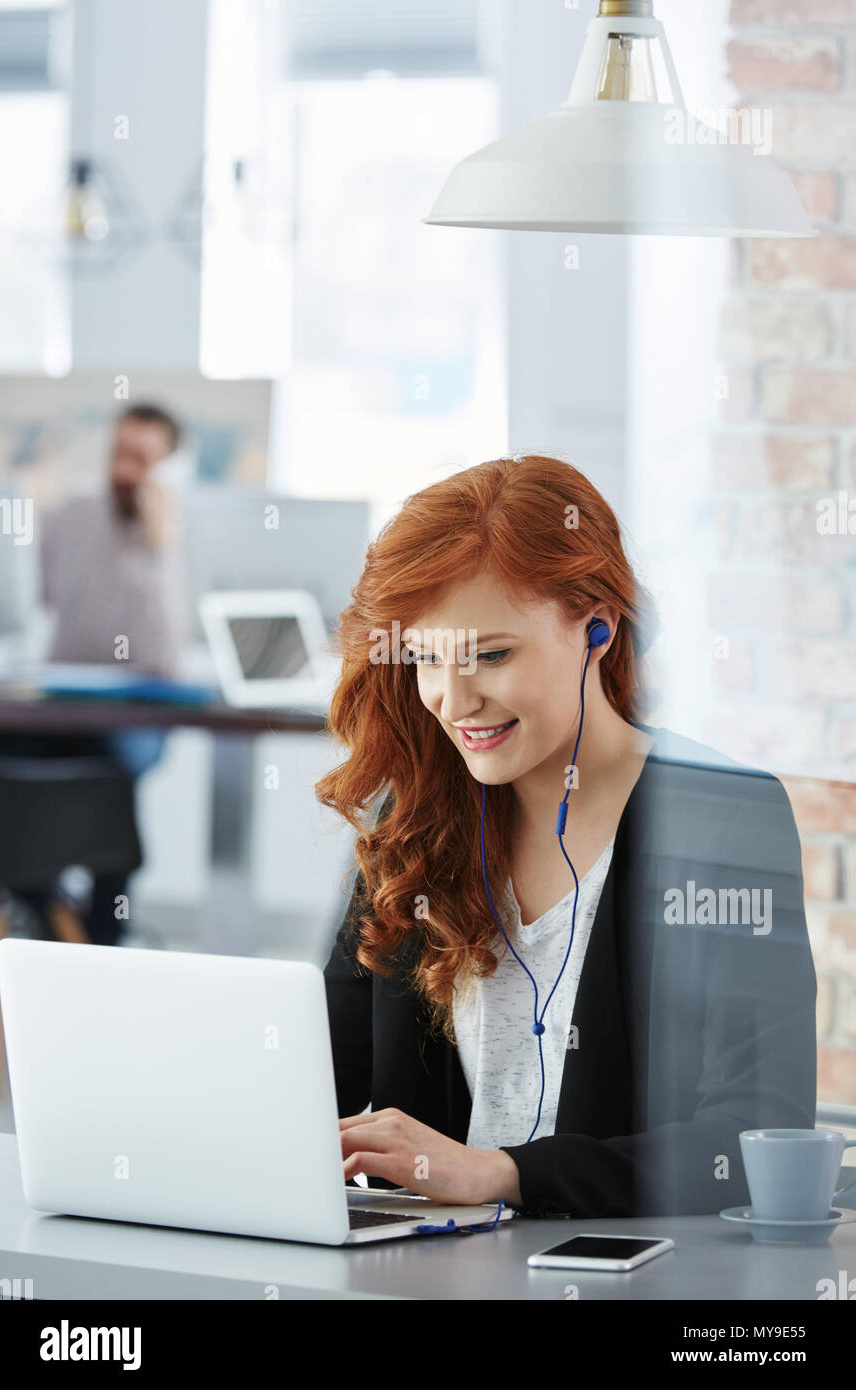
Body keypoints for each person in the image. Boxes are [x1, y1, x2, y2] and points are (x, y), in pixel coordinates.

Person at [317, 454, 817, 1218]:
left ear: (597, 629)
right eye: (426, 659)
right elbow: (325, 1076)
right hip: (419, 1272)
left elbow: (753, 1136)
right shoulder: (417, 815)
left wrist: (502, 1173)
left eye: (490, 654)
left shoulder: (722, 818)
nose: (454, 702)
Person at [0, 402, 188, 946]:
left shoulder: (176, 529)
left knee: (111, 766)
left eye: (142, 458)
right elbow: (28, 597)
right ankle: (41, 899)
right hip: (61, 702)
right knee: (4, 750)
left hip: (134, 714)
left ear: (169, 467)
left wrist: (159, 551)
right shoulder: (75, 515)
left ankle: (104, 925)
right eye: (119, 454)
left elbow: (167, 654)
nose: (125, 470)